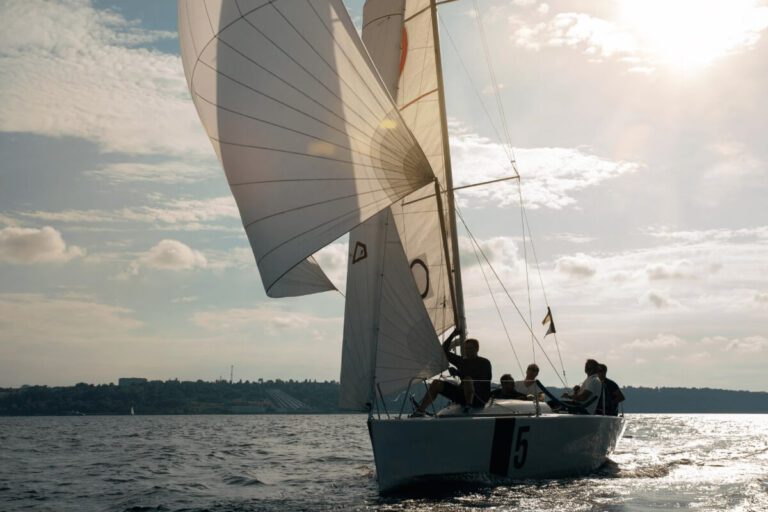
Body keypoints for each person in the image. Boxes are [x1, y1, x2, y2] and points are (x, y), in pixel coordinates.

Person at [414, 330, 492, 415]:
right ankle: (421, 410)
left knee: (467, 380)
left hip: (479, 397)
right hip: (462, 395)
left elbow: (479, 377)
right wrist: (452, 335)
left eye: (470, 348)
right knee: (436, 383)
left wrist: (458, 373)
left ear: (477, 349)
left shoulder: (484, 362)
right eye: (466, 348)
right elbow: (444, 350)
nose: (467, 351)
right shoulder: (461, 361)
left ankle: (469, 406)